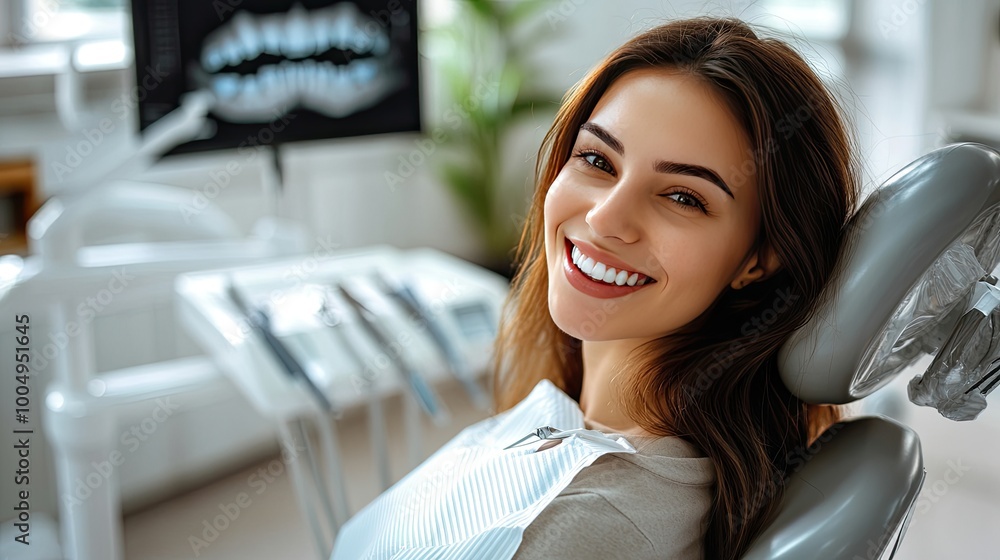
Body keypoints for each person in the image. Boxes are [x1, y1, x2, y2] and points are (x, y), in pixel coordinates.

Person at [490, 16, 861, 560]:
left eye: (683, 197)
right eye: (596, 160)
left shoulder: (589, 525)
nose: (606, 217)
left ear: (759, 260)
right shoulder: (579, 424)